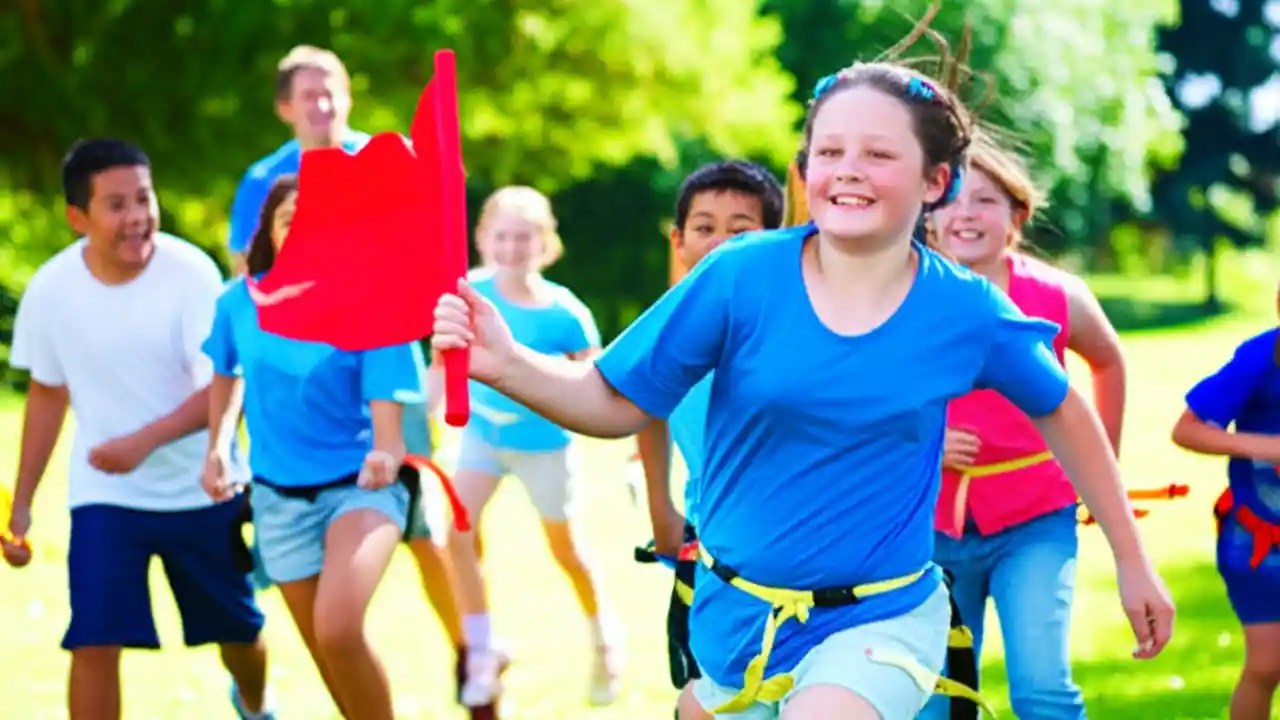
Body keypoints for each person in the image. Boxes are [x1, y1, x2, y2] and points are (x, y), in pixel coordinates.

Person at [430, 48, 1175, 720]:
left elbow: (1064, 408)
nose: (849, 168)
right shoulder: (739, 275)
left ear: (934, 181)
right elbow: (616, 401)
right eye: (830, 151)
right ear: (806, 169)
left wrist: (1131, 557)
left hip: (880, 620)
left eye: (879, 153)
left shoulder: (965, 310)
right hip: (735, 618)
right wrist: (506, 363)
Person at [0, 138, 273, 720]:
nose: (137, 218)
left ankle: (254, 704)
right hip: (105, 497)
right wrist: (21, 504)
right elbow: (49, 394)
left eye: (144, 200)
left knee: (239, 636)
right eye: (116, 204)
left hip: (202, 490)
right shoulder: (51, 291)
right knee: (93, 640)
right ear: (78, 218)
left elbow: (224, 382)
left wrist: (141, 444)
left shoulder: (191, 275)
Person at [917, 134, 1126, 720]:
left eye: (985, 200)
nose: (965, 214)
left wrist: (1100, 466)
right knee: (935, 702)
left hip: (1035, 518)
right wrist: (924, 451)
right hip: (926, 525)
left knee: (1041, 690)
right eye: (950, 200)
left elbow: (1108, 359)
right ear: (925, 214)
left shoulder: (1057, 297)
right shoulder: (900, 295)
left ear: (1016, 215)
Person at [202, 173, 421, 720]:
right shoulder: (237, 303)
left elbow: (390, 433)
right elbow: (226, 373)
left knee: (339, 628)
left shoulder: (373, 300)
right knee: (328, 653)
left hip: (359, 490)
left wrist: (384, 454)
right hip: (276, 501)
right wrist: (218, 446)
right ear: (268, 234)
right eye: (287, 218)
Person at [447, 186, 622, 709]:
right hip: (483, 438)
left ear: (545, 242)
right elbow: (444, 364)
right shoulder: (470, 294)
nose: (512, 246)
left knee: (564, 550)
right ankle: (481, 650)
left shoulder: (564, 312)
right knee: (456, 529)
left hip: (545, 445)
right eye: (501, 235)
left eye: (524, 237)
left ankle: (603, 637)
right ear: (482, 239)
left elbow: (594, 379)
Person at [631, 160, 784, 719]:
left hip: (806, 551)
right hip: (715, 547)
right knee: (715, 699)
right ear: (678, 239)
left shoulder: (795, 321)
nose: (721, 242)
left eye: (741, 229)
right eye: (704, 227)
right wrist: (659, 509)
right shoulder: (665, 327)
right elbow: (639, 405)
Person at [1171, 295, 1280, 720]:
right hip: (1257, 540)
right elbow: (1187, 429)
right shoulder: (1260, 358)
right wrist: (1264, 447)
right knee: (1267, 664)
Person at [226, 45, 370, 274]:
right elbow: (244, 276)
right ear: (285, 108)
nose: (323, 106)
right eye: (309, 97)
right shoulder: (262, 181)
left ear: (348, 99)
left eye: (329, 94)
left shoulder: (383, 161)